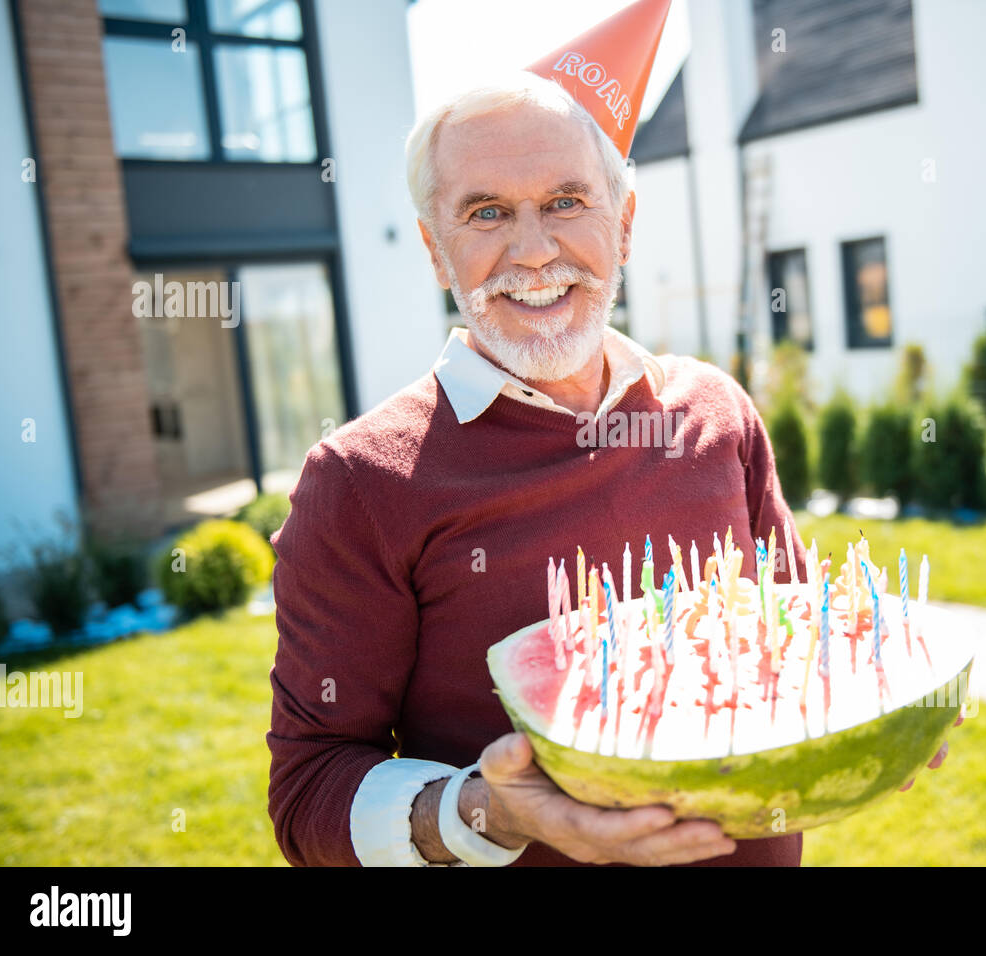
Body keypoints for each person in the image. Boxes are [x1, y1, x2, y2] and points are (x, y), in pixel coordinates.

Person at [266, 0, 945, 868]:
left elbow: (795, 642)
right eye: (484, 213)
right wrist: (492, 813)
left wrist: (881, 704)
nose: (536, 251)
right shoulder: (360, 481)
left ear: (622, 226)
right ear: (437, 252)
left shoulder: (717, 414)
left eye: (565, 201)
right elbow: (309, 790)